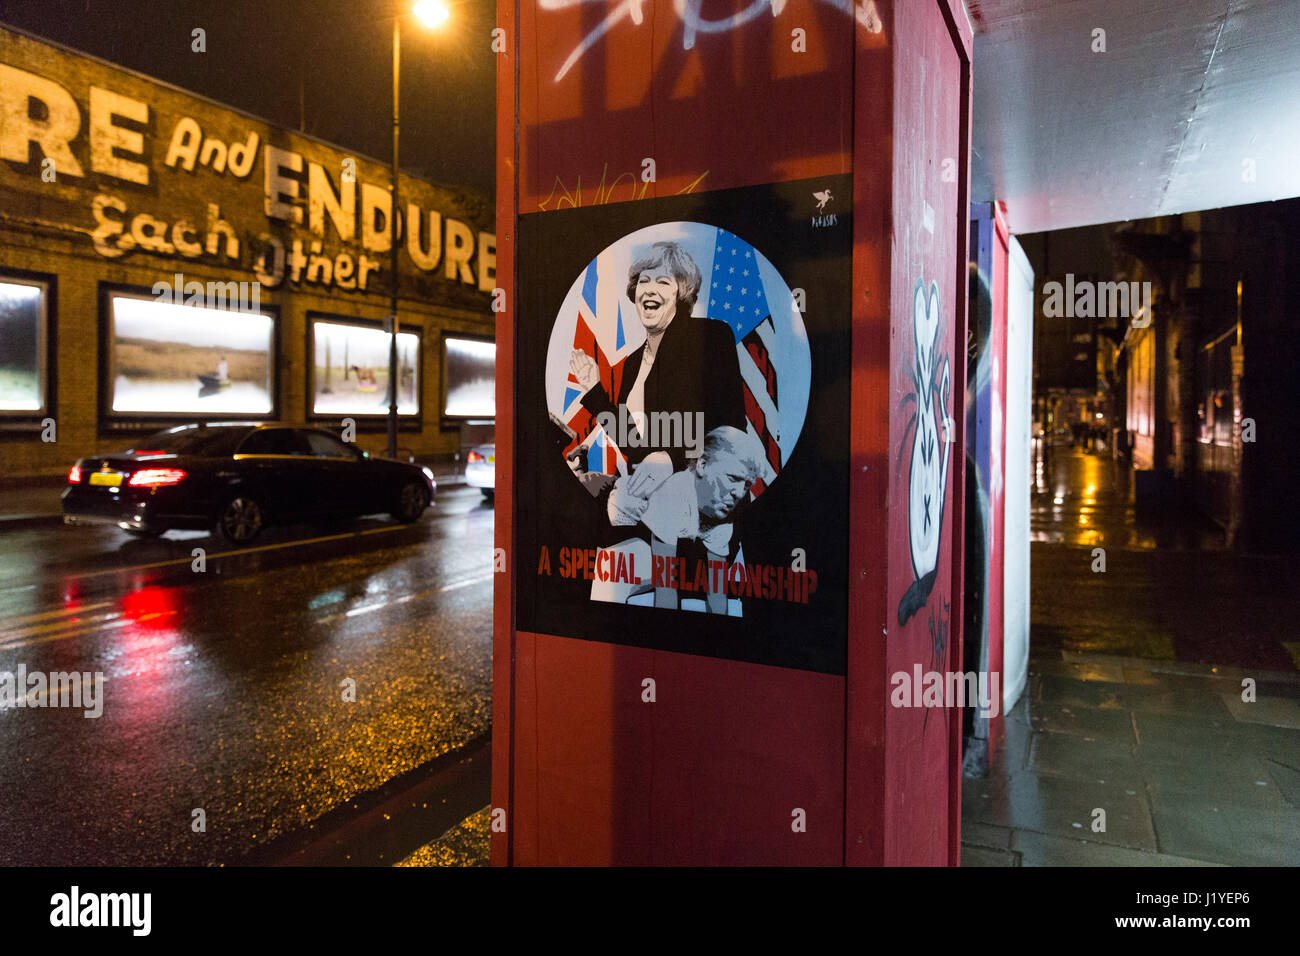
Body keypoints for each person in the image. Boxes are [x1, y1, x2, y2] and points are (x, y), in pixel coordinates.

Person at [569, 241, 747, 471]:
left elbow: (730, 429)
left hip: (701, 495)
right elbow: (633, 444)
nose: (650, 289)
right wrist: (593, 390)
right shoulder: (633, 363)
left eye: (663, 282)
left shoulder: (710, 336)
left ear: (681, 293)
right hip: (648, 499)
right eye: (644, 281)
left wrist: (672, 459)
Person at [606, 426, 763, 613]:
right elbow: (665, 592)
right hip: (621, 519)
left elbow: (717, 592)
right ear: (702, 465)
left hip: (679, 529)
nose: (738, 493)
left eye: (746, 485)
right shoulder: (673, 495)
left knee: (697, 579)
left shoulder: (721, 513)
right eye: (732, 478)